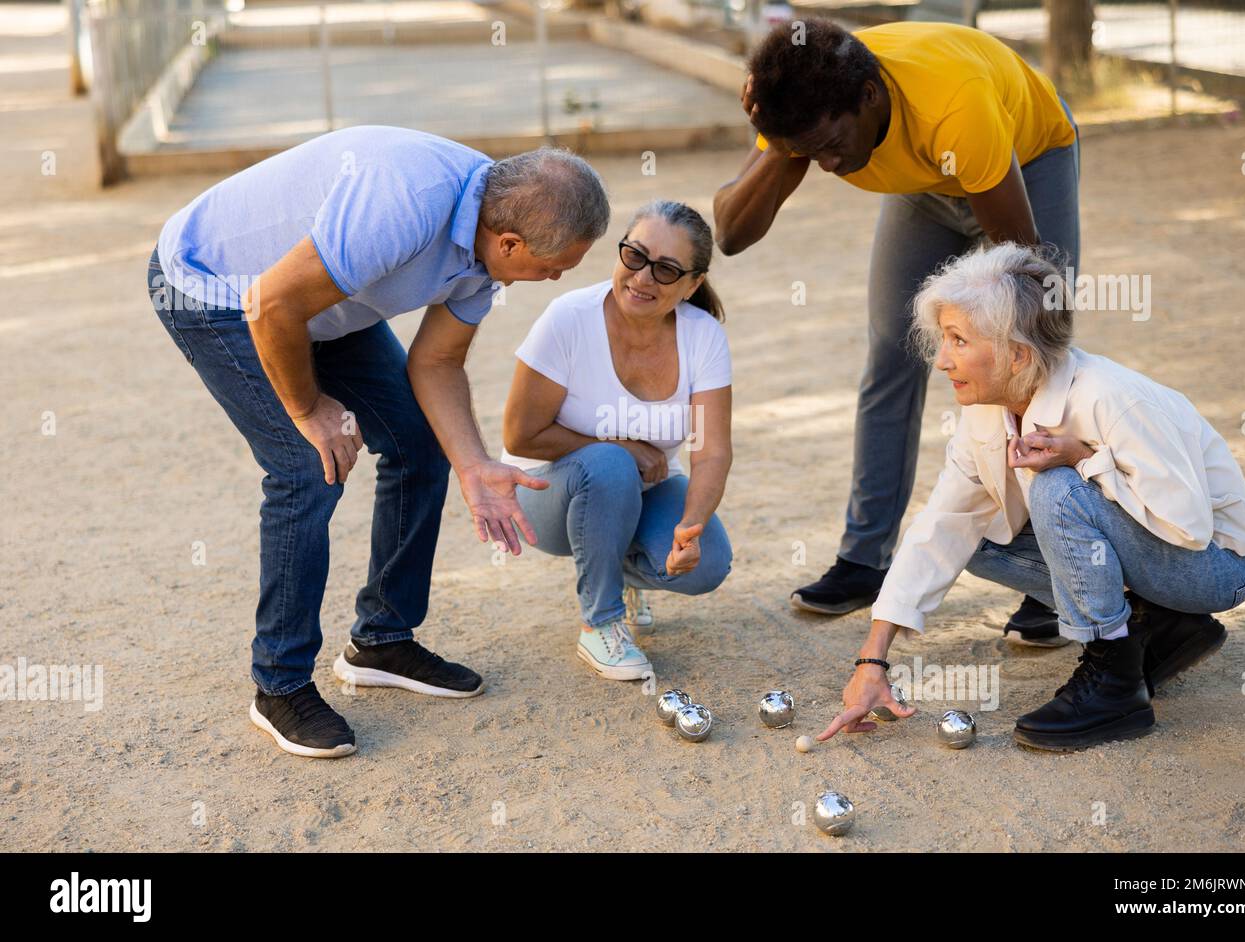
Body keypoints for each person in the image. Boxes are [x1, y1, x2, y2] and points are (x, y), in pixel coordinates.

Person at [149, 126, 610, 757]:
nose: (555, 276)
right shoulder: (404, 204)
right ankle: (279, 685)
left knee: (421, 440)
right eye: (553, 264)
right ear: (510, 242)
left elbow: (438, 364)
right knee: (306, 464)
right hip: (218, 289)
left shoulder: (490, 233)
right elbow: (271, 304)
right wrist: (310, 408)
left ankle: (382, 640)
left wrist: (473, 464)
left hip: (317, 299)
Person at [713, 18, 1080, 644]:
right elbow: (730, 232)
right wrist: (782, 146)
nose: (826, 166)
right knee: (891, 352)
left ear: (869, 98)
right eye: (810, 152)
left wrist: (995, 342)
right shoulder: (808, 104)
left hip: (1023, 155)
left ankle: (1052, 576)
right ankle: (864, 558)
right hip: (924, 182)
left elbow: (1028, 275)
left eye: (830, 145)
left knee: (1028, 358)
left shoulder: (952, 103)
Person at [818, 243, 1245, 752]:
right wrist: (872, 660)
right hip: (1160, 559)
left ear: (1018, 354)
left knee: (1057, 489)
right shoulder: (988, 408)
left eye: (959, 341)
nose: (942, 360)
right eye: (943, 339)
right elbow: (941, 526)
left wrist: (1082, 457)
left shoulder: (1110, 397)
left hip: (1220, 566)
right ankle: (1159, 625)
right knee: (980, 538)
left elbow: (1187, 527)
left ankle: (1115, 686)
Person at [500, 201, 733, 680]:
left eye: (666, 269)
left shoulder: (703, 336)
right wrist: (622, 446)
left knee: (708, 563)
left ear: (692, 284)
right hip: (544, 490)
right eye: (635, 256)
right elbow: (520, 434)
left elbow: (710, 451)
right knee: (608, 463)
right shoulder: (568, 317)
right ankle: (600, 624)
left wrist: (690, 527)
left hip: (639, 491)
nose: (643, 278)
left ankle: (614, 567)